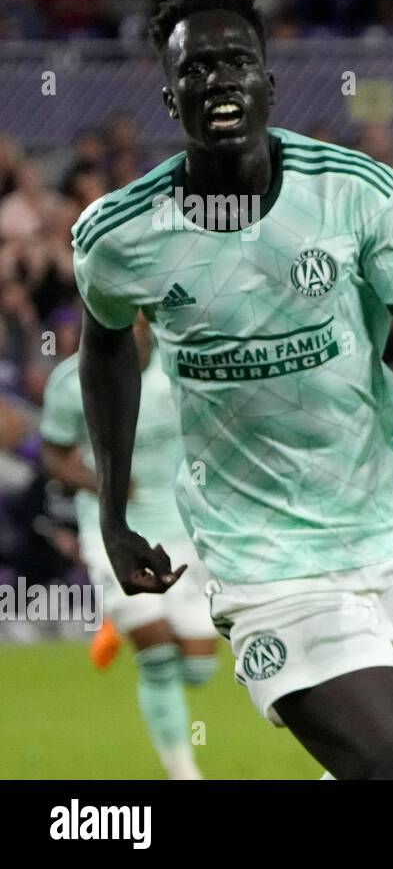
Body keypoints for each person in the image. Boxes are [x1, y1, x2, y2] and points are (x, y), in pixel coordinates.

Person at [72, 0, 393, 780]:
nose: (219, 82)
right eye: (197, 70)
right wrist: (112, 514)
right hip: (262, 559)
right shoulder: (120, 236)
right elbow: (106, 350)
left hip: (386, 532)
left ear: (269, 84)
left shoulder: (357, 194)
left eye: (237, 64)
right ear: (169, 94)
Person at [40, 315, 216, 779]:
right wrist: (99, 484)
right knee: (158, 660)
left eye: (139, 330)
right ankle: (184, 774)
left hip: (182, 529)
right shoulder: (72, 382)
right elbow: (53, 453)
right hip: (112, 531)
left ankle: (115, 626)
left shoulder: (180, 372)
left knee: (199, 671)